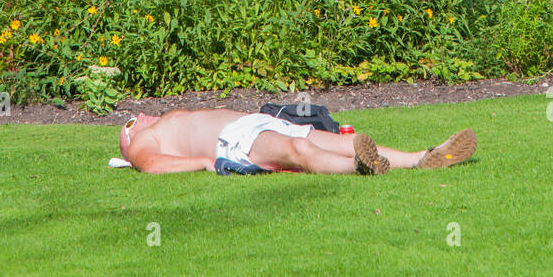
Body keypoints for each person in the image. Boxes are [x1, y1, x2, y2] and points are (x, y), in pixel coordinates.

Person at [118, 109, 478, 176]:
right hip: (234, 140)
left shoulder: (163, 120)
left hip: (255, 123)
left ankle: (423, 157)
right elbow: (152, 165)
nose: (141, 116)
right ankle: (359, 167)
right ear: (130, 137)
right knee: (300, 153)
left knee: (339, 140)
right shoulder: (144, 142)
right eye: (131, 121)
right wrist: (202, 162)